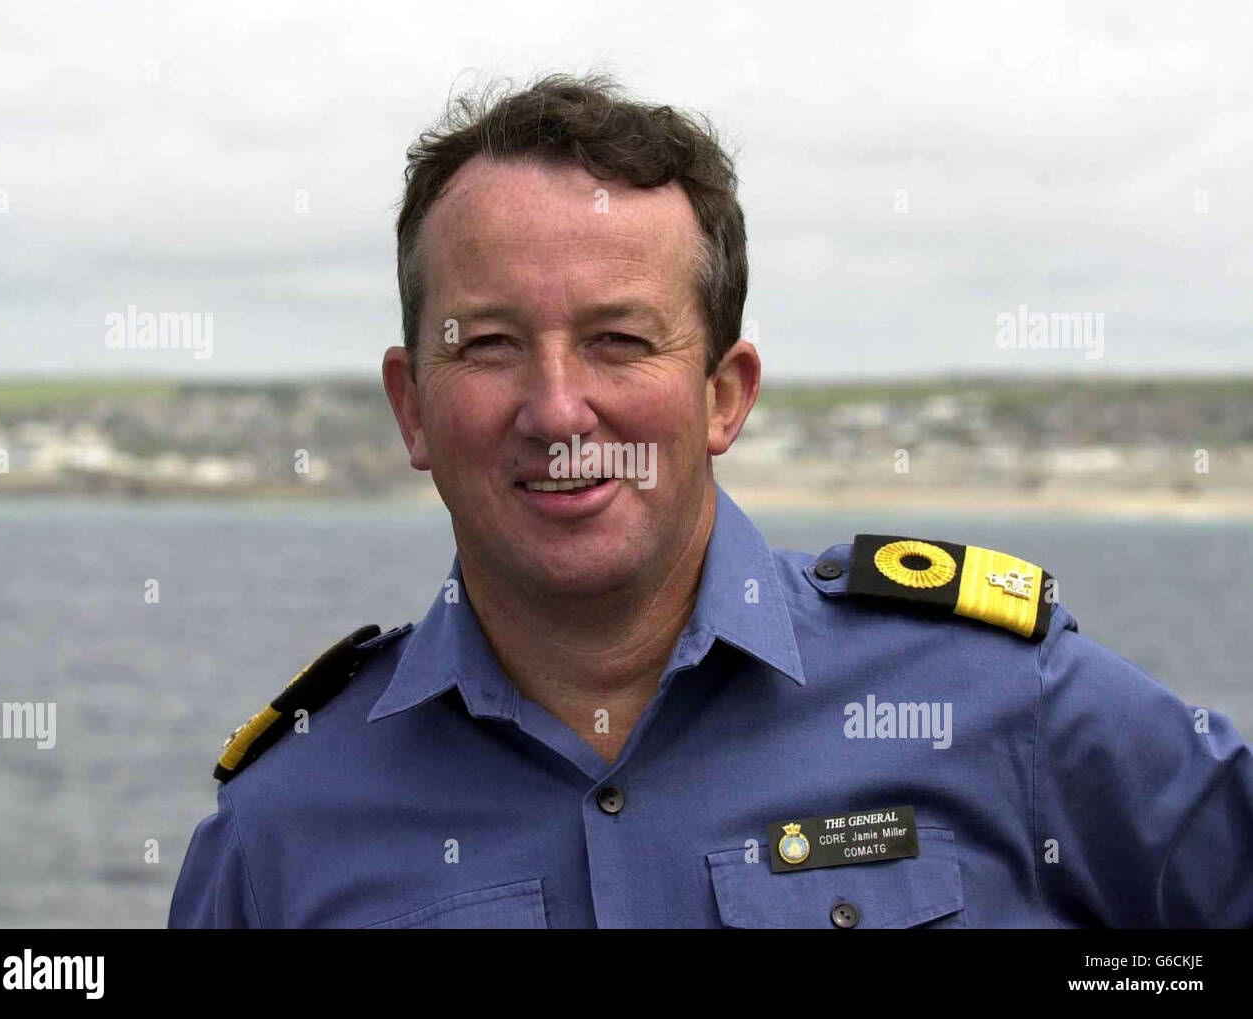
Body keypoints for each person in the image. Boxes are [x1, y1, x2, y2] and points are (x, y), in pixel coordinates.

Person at [169, 73, 1252, 928]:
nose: (556, 409)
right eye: (490, 345)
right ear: (414, 406)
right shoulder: (285, 825)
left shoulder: (1003, 698)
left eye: (620, 341)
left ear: (723, 395)